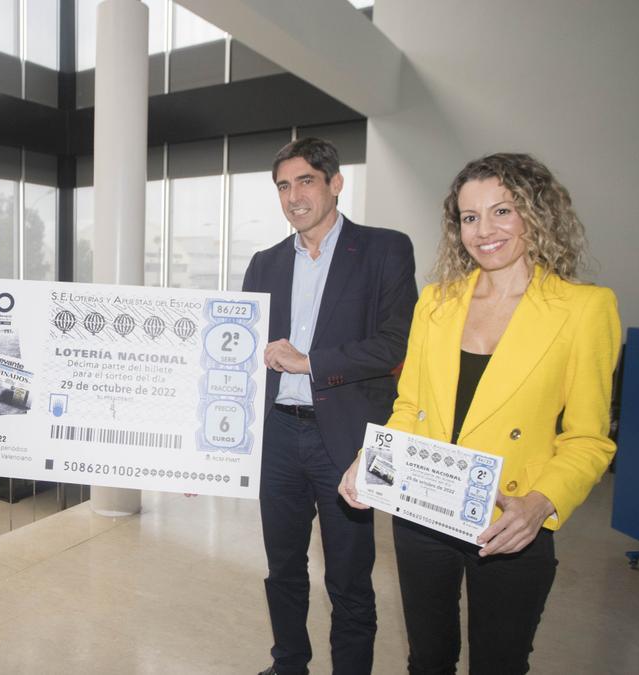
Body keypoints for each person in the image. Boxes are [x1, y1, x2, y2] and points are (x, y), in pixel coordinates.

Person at [340, 153, 621, 674]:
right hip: (423, 511)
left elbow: (589, 439)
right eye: (470, 217)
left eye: (502, 212)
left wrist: (540, 504)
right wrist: (368, 462)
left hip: (510, 521)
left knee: (499, 663)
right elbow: (411, 406)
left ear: (537, 215)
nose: (483, 231)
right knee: (428, 659)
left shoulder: (585, 309)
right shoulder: (438, 303)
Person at [242, 138, 418, 675]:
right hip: (278, 439)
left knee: (348, 577)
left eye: (305, 181)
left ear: (335, 183)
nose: (293, 196)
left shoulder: (384, 250)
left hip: (343, 441)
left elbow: (396, 342)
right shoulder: (264, 263)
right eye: (283, 186)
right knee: (283, 569)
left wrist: (311, 362)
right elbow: (242, 357)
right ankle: (288, 663)